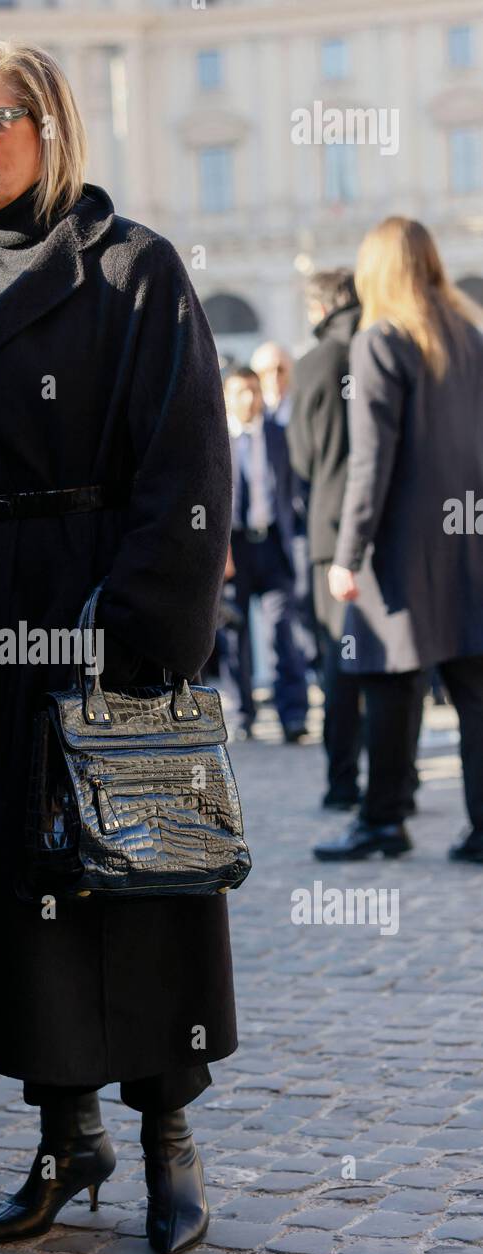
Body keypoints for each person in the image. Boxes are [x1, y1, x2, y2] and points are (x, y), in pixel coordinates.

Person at [0, 40, 237, 1254]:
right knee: (15, 892)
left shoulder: (133, 269)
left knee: (136, 877)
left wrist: (133, 627)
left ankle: (169, 1142)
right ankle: (66, 1137)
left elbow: (186, 467)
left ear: (47, 125)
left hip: (93, 608)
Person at [314, 217, 483, 862]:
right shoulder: (467, 333)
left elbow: (371, 460)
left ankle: (384, 821)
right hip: (466, 538)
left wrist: (347, 552)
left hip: (403, 546)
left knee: (389, 685)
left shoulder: (381, 338)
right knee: (473, 692)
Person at [287, 270, 365, 809]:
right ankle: (395, 784)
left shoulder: (315, 363)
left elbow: (301, 459)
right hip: (388, 530)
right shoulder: (385, 348)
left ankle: (343, 786)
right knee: (393, 666)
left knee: (339, 662)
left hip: (330, 532)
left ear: (318, 310)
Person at [221, 366, 309, 741]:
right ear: (226, 396)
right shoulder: (215, 438)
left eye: (254, 391)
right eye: (240, 391)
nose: (249, 398)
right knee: (234, 635)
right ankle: (243, 715)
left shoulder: (278, 435)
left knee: (282, 632)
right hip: (232, 549)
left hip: (273, 545)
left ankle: (293, 716)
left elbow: (296, 489)